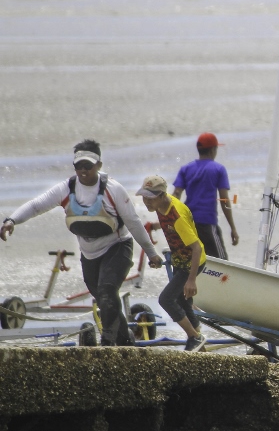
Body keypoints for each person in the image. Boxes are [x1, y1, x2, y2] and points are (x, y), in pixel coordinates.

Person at [0, 139, 162, 346]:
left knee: (107, 291)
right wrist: (11, 220)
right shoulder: (67, 188)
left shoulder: (113, 189)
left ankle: (107, 345)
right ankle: (125, 342)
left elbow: (134, 222)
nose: (83, 170)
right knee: (105, 299)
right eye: (79, 166)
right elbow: (36, 206)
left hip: (118, 246)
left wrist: (151, 253)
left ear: (99, 166)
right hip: (89, 253)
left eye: (88, 166)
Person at [137, 175, 207, 352]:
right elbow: (169, 224)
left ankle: (194, 337)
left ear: (161, 195)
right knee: (183, 302)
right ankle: (200, 344)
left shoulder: (177, 215)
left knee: (166, 299)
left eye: (150, 198)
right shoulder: (161, 206)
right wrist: (155, 226)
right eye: (144, 197)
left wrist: (191, 280)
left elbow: (197, 248)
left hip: (191, 262)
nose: (146, 202)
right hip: (179, 259)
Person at [172, 132, 238, 260]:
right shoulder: (218, 169)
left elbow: (176, 195)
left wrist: (172, 220)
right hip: (207, 224)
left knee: (191, 262)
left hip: (187, 224)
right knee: (222, 264)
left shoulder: (185, 169)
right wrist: (233, 228)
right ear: (213, 150)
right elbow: (224, 200)